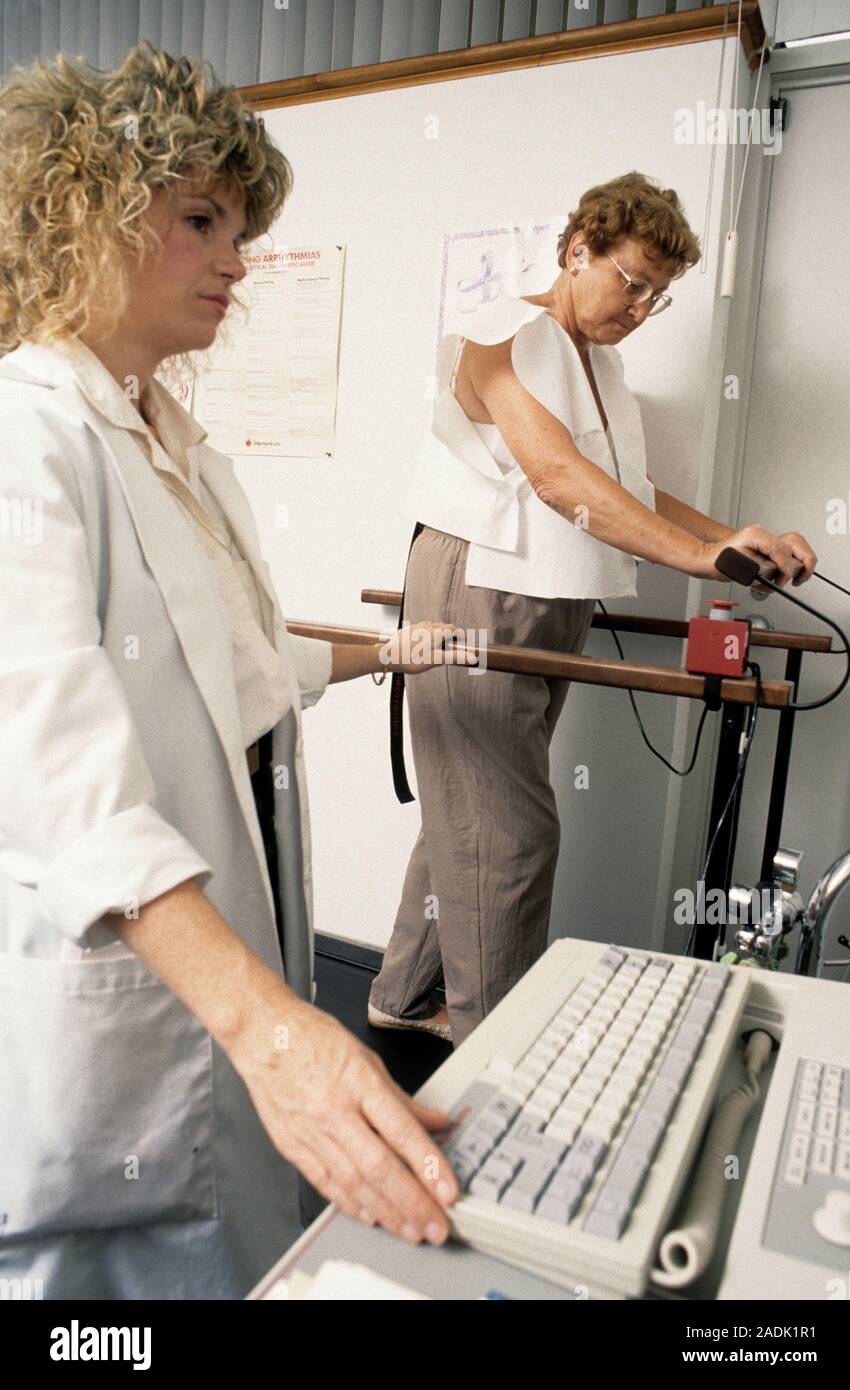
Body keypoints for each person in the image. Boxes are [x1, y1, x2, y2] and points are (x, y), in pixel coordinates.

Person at [0, 40, 461, 1301]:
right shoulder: (23, 437)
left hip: (231, 951)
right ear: (86, 212)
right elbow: (56, 770)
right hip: (120, 982)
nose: (240, 260)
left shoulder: (182, 449)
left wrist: (396, 650)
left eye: (242, 227)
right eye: (201, 218)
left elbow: (242, 668)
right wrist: (265, 1027)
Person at [368, 171, 817, 1050]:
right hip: (481, 583)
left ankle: (398, 994)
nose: (642, 308)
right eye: (632, 281)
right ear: (578, 251)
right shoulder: (499, 333)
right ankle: (491, 1050)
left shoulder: (600, 363)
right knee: (509, 834)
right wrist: (697, 559)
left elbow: (627, 488)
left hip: (552, 592)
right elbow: (554, 476)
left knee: (469, 808)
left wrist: (734, 535)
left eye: (660, 295)